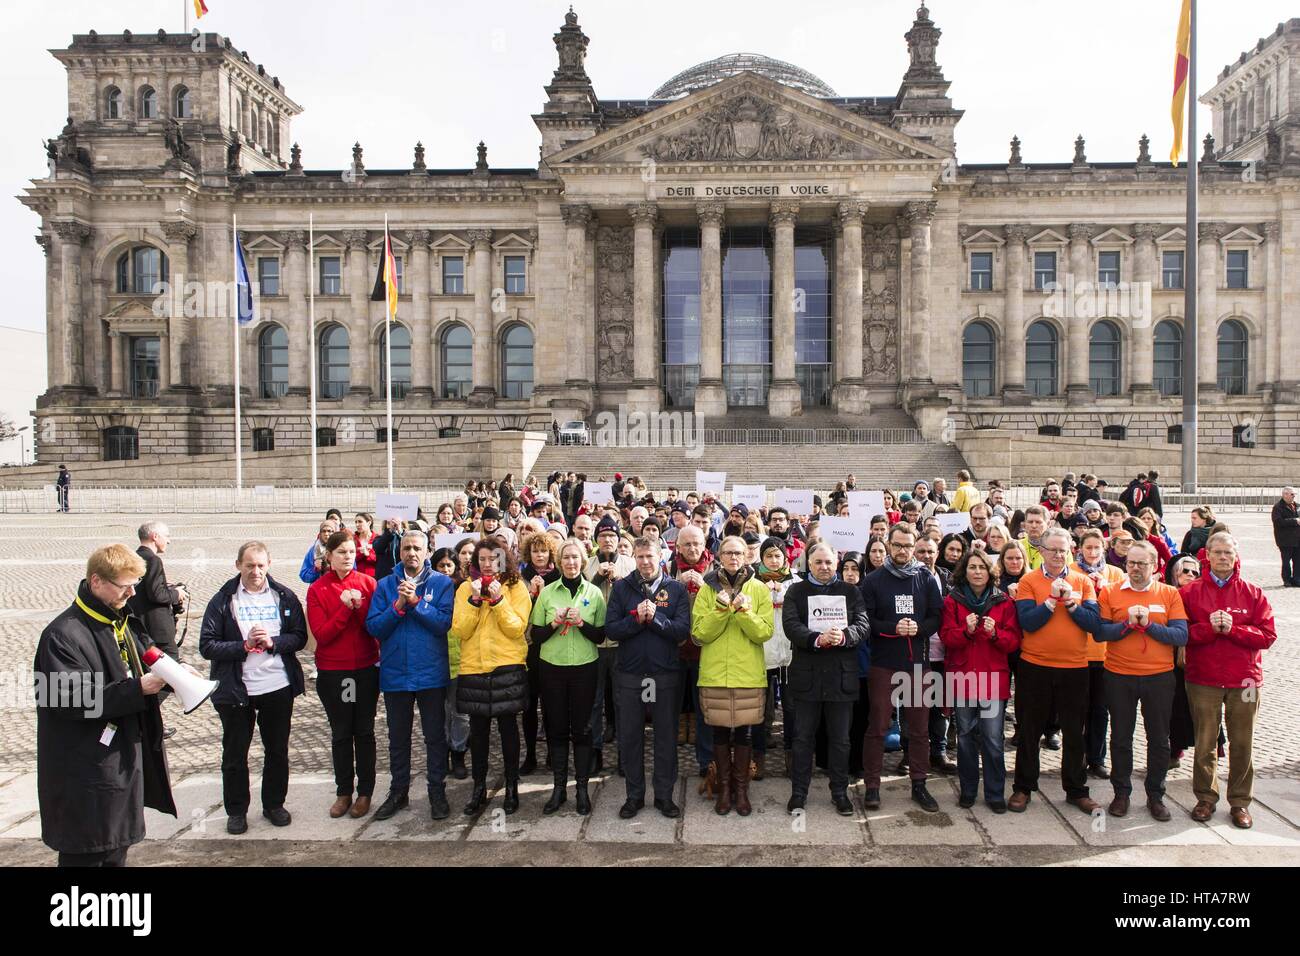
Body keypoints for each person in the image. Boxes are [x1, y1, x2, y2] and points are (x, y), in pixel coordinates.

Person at [35, 544, 177, 866]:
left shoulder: (121, 619)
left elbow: (148, 654)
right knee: (88, 854)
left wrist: (176, 673)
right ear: (96, 581)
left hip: (119, 765)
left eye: (135, 585)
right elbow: (68, 699)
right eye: (124, 585)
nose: (132, 593)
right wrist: (138, 688)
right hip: (84, 773)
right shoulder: (61, 635)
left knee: (115, 849)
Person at [200, 541, 308, 834]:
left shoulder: (284, 596)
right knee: (235, 753)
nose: (255, 571)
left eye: (260, 565)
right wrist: (243, 646)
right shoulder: (223, 600)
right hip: (236, 689)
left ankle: (274, 804)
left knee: (277, 750)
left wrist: (274, 643)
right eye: (249, 566)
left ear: (269, 565)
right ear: (238, 565)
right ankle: (236, 810)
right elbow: (207, 645)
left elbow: (299, 637)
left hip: (277, 685)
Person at [1181, 532, 1277, 829]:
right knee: (1205, 742)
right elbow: (1181, 633)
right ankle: (1205, 797)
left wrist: (1234, 629)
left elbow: (1267, 636)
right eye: (1218, 552)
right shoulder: (1190, 593)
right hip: (1203, 677)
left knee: (1242, 742)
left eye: (1228, 553)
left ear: (1236, 557)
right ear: (1207, 555)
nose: (1223, 557)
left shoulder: (1253, 593)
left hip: (1245, 680)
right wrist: (1208, 630)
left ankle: (1240, 801)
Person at [1090, 540, 1188, 821]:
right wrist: (1127, 625)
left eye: (1141, 563)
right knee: (1121, 737)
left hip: (1159, 676)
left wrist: (1148, 626)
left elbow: (1181, 635)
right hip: (1119, 675)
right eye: (1131, 563)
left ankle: (1155, 795)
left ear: (1154, 565)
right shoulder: (1111, 592)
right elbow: (1100, 633)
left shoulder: (1169, 593)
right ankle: (1121, 793)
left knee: (1159, 739)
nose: (1135, 568)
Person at [1009, 528, 1102, 814]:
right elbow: (1028, 622)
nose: (1058, 555)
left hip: (1074, 667)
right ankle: (1023, 787)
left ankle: (1076, 789)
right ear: (1042, 551)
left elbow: (1093, 623)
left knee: (1074, 732)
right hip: (1035, 666)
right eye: (1053, 550)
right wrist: (1050, 601)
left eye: (1063, 550)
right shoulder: (1028, 581)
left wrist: (1071, 604)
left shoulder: (1083, 581)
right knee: (1029, 730)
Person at [366, 530, 456, 821]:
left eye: (417, 548)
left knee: (435, 737)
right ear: (399, 551)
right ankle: (398, 791)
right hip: (396, 673)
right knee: (398, 739)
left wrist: (417, 603)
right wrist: (398, 607)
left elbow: (443, 623)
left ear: (427, 551)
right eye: (407, 548)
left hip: (431, 673)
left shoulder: (442, 583)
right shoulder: (385, 585)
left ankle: (437, 791)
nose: (411, 553)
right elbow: (375, 627)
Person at [859, 523, 945, 813]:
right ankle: (872, 785)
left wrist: (919, 628)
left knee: (919, 728)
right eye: (897, 545)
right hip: (883, 663)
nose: (902, 551)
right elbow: (866, 621)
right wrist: (892, 628)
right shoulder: (873, 580)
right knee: (878, 726)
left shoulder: (925, 578)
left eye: (908, 546)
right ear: (888, 545)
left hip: (917, 664)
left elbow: (936, 616)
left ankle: (919, 783)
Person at [606, 537, 692, 819]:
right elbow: (611, 629)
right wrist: (635, 620)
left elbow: (681, 631)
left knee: (665, 737)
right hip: (631, 675)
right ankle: (634, 796)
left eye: (650, 556)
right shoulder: (621, 588)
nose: (645, 561)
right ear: (634, 557)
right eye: (640, 556)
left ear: (660, 558)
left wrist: (655, 619)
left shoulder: (676, 589)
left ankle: (664, 796)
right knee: (631, 737)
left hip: (663, 675)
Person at [781, 542, 869, 815]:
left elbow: (863, 624)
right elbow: (790, 625)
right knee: (802, 739)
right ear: (808, 563)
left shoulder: (851, 591)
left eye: (829, 562)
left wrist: (844, 636)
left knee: (841, 740)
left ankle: (840, 792)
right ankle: (799, 792)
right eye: (818, 562)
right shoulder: (796, 591)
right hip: (807, 676)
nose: (824, 567)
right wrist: (816, 639)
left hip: (841, 677)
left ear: (836, 563)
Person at [693, 535, 775, 816]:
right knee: (718, 732)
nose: (733, 557)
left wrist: (743, 611)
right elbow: (699, 634)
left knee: (744, 733)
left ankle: (741, 789)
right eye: (728, 553)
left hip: (747, 673)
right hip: (715, 673)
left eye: (738, 553)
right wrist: (719, 610)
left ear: (746, 556)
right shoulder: (707, 590)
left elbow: (764, 632)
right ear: (719, 556)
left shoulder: (759, 589)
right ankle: (724, 787)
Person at [450, 539, 532, 816]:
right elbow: (460, 630)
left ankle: (511, 785)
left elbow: (516, 628)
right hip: (474, 666)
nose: (488, 564)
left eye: (493, 558)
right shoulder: (465, 588)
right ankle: (479, 787)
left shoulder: (516, 587)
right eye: (482, 559)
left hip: (506, 665)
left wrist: (497, 601)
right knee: (479, 733)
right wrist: (475, 601)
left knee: (508, 730)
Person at [305, 531, 380, 819]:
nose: (347, 557)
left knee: (364, 731)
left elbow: (373, 628)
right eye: (341, 552)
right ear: (329, 556)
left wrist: (358, 610)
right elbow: (322, 634)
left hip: (364, 669)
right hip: (334, 672)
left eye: (351, 552)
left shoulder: (368, 583)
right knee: (341, 732)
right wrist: (345, 610)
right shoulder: (318, 589)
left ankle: (366, 791)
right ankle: (344, 791)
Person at [939, 549, 1021, 812]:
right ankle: (968, 790)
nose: (977, 572)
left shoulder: (1004, 602)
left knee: (993, 738)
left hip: (992, 680)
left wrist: (995, 633)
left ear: (990, 572)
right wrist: (967, 630)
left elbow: (1013, 642)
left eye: (982, 567)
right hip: (963, 678)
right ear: (965, 571)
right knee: (965, 737)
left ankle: (995, 793)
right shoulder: (952, 600)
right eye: (972, 567)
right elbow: (946, 637)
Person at [529, 539, 607, 815]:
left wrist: (581, 623)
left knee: (583, 729)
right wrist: (555, 622)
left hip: (584, 667)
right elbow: (535, 635)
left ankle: (582, 789)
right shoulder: (548, 593)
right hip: (553, 667)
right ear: (559, 562)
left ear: (583, 561)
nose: (571, 562)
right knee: (557, 728)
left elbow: (600, 636)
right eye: (566, 558)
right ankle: (559, 788)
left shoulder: (594, 593)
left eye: (575, 557)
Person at [585, 515, 634, 775]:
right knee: (593, 702)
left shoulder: (629, 564)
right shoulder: (586, 564)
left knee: (622, 701)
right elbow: (581, 599)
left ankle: (624, 755)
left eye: (612, 536)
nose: (607, 540)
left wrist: (619, 582)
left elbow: (636, 598)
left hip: (620, 643)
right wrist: (596, 579)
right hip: (593, 643)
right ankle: (595, 752)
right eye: (603, 536)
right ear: (597, 539)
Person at [671, 524, 716, 781]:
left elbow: (724, 602)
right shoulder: (669, 569)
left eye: (696, 543)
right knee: (670, 709)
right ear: (678, 546)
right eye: (686, 544)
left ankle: (706, 761)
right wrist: (677, 585)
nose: (692, 548)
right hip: (675, 650)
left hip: (705, 650)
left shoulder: (715, 570)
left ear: (704, 544)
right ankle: (668, 761)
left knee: (704, 709)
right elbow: (659, 601)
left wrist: (705, 587)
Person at [754, 536, 798, 781]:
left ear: (785, 557)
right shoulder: (753, 582)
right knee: (760, 709)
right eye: (768, 556)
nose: (773, 560)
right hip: (762, 654)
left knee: (791, 709)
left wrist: (784, 592)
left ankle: (791, 756)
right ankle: (758, 757)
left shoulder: (795, 582)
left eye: (777, 555)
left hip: (789, 656)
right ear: (761, 558)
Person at [519, 533, 561, 774]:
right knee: (529, 703)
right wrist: (532, 595)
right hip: (529, 646)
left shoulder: (558, 577)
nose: (540, 555)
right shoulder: (521, 578)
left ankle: (553, 753)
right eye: (535, 551)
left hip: (553, 644)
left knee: (551, 704)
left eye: (544, 551)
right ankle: (531, 754)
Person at [129, 521, 188, 665]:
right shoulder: (153, 560)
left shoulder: (134, 557)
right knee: (171, 669)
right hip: (159, 632)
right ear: (155, 536)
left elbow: (145, 589)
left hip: (140, 627)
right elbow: (157, 595)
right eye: (166, 536)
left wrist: (168, 587)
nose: (169, 540)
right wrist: (176, 594)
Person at [1271, 486, 1299, 587]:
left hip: (1297, 539)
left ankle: (1297, 579)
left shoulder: (1298, 506)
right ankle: (1286, 580)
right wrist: (1294, 521)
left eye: (1294, 494)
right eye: (1292, 494)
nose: (1294, 496)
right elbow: (1278, 522)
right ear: (1285, 495)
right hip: (1285, 539)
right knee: (1286, 561)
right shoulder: (1278, 507)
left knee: (1298, 561)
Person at [300, 519, 339, 584]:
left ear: (335, 532)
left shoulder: (342, 549)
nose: (326, 534)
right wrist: (315, 569)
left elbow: (351, 571)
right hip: (318, 587)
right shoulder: (314, 550)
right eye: (323, 531)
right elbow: (304, 576)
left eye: (329, 531)